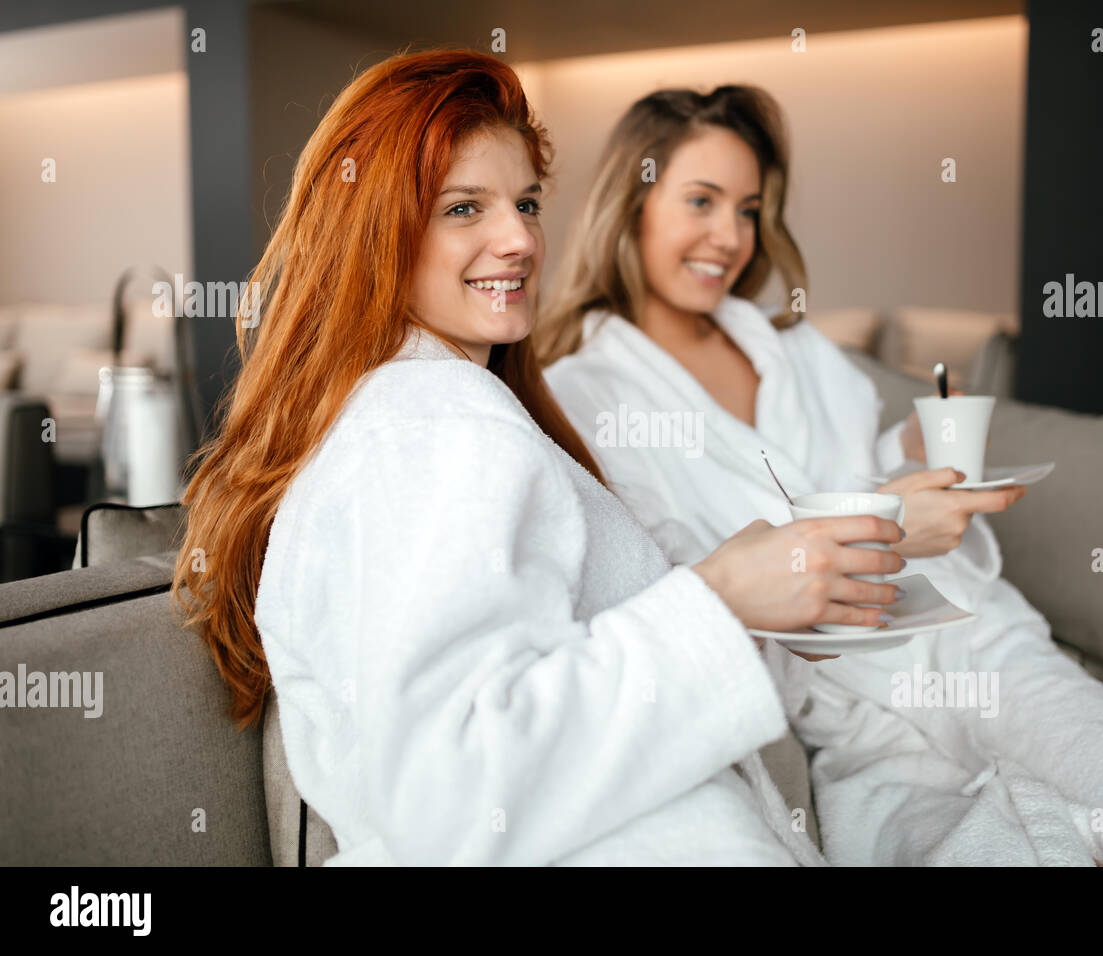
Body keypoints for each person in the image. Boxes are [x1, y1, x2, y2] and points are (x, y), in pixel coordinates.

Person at [169, 51, 906, 866]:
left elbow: (535, 667)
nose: (518, 238)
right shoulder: (432, 426)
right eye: (463, 208)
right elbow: (452, 787)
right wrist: (719, 598)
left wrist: (748, 608)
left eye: (525, 202)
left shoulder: (430, 412)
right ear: (375, 230)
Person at [539, 84, 1103, 865]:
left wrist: (910, 461)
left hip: (975, 649)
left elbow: (864, 480)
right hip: (850, 723)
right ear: (631, 200)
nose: (729, 236)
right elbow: (685, 597)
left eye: (748, 209)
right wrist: (891, 517)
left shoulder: (797, 352)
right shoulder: (583, 398)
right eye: (701, 200)